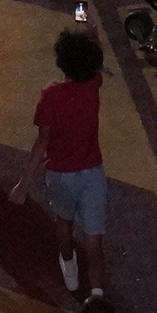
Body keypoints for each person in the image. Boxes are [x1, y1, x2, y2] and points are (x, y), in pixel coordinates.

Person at [29, 23, 115, 296]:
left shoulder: (50, 97)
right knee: (94, 239)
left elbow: (42, 142)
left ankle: (69, 268)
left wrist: (23, 184)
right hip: (92, 172)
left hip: (60, 173)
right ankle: (98, 292)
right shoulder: (94, 85)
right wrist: (85, 24)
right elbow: (96, 52)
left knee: (64, 224)